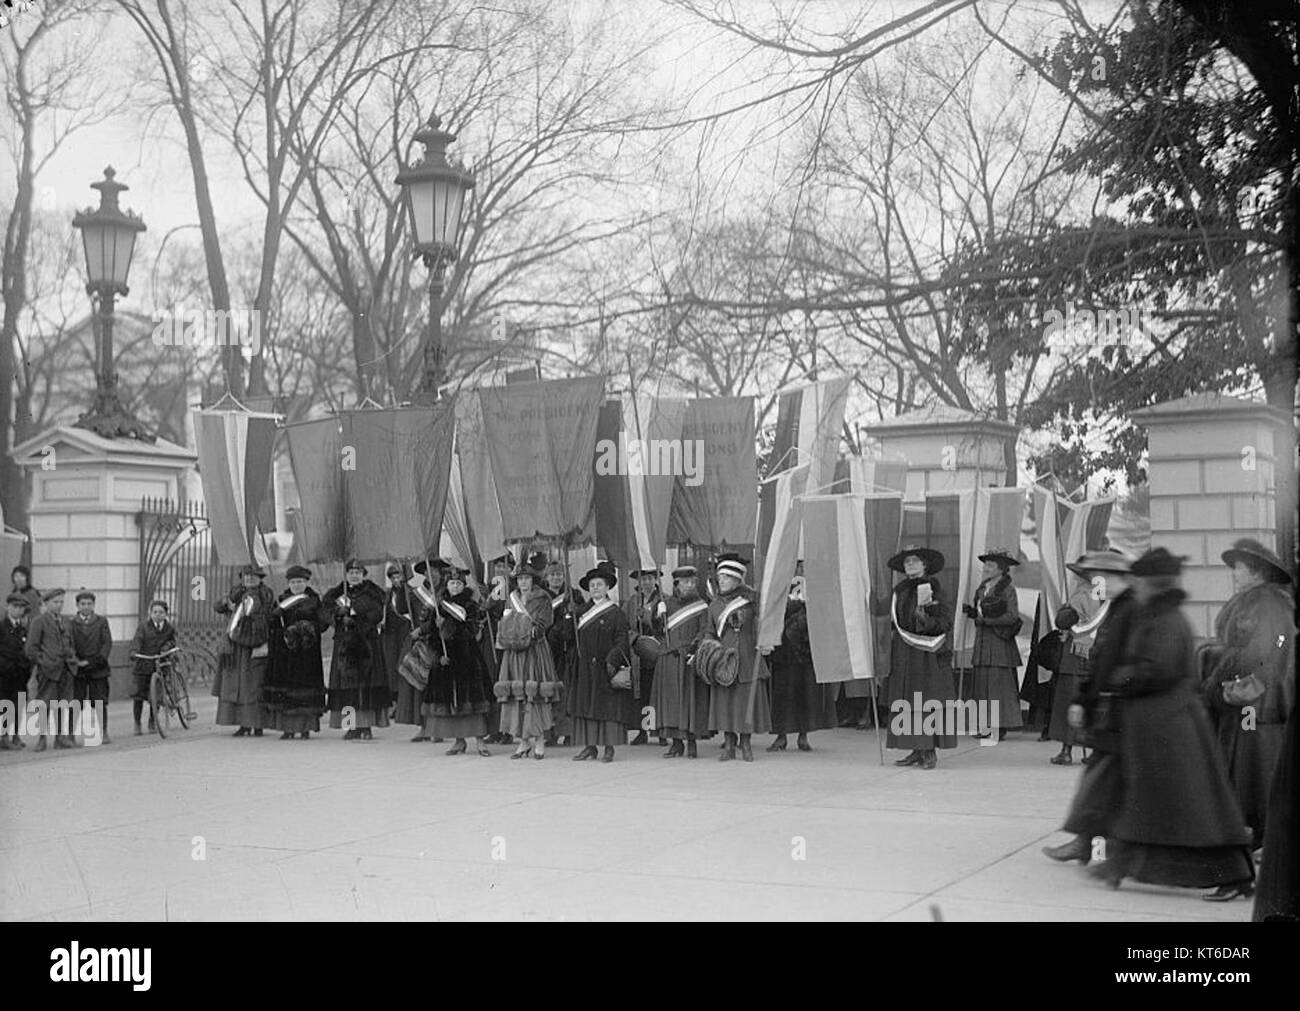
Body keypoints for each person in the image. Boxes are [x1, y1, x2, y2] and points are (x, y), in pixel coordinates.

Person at [1080, 548, 1255, 899]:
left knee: (1194, 807)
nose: (1136, 586)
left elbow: (1156, 670)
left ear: (1151, 584)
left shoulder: (1165, 620)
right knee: (1150, 803)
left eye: (1140, 580)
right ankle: (1121, 863)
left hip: (1171, 728)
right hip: (1160, 727)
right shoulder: (1157, 616)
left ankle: (1234, 875)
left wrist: (1119, 678)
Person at [1201, 538, 1295, 854]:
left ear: (1256, 572)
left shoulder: (1269, 603)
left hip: (1256, 701)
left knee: (1256, 766)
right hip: (1244, 698)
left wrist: (1235, 672)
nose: (1234, 574)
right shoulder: (1251, 600)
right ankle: (1258, 834)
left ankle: (1269, 838)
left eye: (1239, 568)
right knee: (1246, 767)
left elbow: (1274, 646)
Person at [1043, 550, 1136, 864]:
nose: (1099, 580)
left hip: (1131, 712)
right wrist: (1086, 698)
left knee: (1118, 785)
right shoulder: (1118, 604)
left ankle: (1106, 848)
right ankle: (1087, 843)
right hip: (1113, 710)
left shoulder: (1132, 607)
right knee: (1101, 782)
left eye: (1106, 575)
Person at [876, 545, 954, 770]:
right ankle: (915, 748)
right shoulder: (899, 590)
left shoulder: (935, 589)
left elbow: (945, 622)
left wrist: (926, 619)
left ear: (924, 565)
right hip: (903, 651)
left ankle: (928, 749)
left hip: (926, 654)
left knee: (924, 700)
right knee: (906, 700)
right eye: (907, 561)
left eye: (914, 561)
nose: (909, 564)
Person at [705, 552, 770, 763]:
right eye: (720, 577)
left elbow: (765, 623)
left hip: (748, 659)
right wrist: (709, 650)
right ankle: (729, 744)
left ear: (736, 579)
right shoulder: (714, 605)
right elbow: (709, 632)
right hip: (724, 661)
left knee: (745, 705)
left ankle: (746, 743)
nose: (720, 581)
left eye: (725, 577)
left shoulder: (752, 600)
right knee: (726, 705)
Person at [421, 566, 493, 756]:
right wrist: (438, 653)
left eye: (458, 583)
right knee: (452, 703)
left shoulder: (470, 606)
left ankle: (480, 742)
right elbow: (430, 634)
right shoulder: (438, 605)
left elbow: (470, 631)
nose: (454, 586)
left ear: (463, 586)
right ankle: (459, 741)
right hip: (446, 660)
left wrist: (447, 626)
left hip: (467, 658)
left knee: (473, 701)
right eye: (452, 583)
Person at [493, 556, 560, 759]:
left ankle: (539, 739)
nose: (523, 582)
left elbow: (544, 624)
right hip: (514, 653)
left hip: (534, 651)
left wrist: (525, 630)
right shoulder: (511, 598)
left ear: (533, 580)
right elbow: (505, 622)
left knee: (534, 695)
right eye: (520, 578)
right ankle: (523, 741)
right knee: (518, 696)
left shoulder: (542, 598)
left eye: (527, 578)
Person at [568, 567, 631, 762]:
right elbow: (567, 638)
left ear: (607, 588)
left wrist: (612, 660)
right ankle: (590, 747)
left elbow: (622, 640)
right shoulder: (580, 611)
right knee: (587, 706)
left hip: (605, 667)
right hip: (585, 667)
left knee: (607, 708)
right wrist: (567, 617)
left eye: (599, 585)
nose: (595, 588)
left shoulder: (616, 613)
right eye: (592, 585)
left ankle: (609, 748)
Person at [767, 571, 836, 752]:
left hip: (805, 649)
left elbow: (818, 612)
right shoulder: (778, 582)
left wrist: (795, 629)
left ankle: (803, 735)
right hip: (782, 651)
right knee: (781, 695)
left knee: (804, 694)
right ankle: (780, 735)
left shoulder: (814, 583)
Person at [323, 559, 389, 740]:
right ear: (346, 575)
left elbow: (376, 614)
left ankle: (366, 726)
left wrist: (355, 620)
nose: (354, 575)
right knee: (347, 687)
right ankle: (351, 726)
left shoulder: (373, 593)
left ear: (363, 574)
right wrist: (338, 616)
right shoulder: (336, 594)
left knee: (366, 687)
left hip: (365, 645)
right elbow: (325, 613)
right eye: (351, 572)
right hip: (344, 645)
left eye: (358, 572)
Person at [649, 565, 711, 758]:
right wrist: (657, 616)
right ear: (676, 584)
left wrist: (695, 649)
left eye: (693, 582)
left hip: (688, 658)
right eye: (686, 582)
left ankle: (692, 743)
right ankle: (676, 743)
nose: (690, 585)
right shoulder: (666, 603)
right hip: (668, 658)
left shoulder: (702, 605)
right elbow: (659, 632)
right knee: (671, 703)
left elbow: (704, 630)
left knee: (689, 702)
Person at [962, 547, 1024, 739]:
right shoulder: (983, 588)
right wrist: (974, 613)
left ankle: (999, 726)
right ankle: (986, 724)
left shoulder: (1007, 589)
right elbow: (981, 614)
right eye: (986, 564)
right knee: (983, 685)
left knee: (998, 687)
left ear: (1001, 569)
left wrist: (984, 621)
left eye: (990, 565)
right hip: (983, 643)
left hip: (999, 644)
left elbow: (1012, 616)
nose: (986, 568)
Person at [264, 565, 327, 740]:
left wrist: (306, 628)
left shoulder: (314, 600)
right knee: (288, 690)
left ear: (306, 582)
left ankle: (305, 727)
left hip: (308, 653)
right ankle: (288, 728)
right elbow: (273, 626)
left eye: (300, 581)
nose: (296, 585)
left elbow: (323, 624)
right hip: (287, 653)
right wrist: (274, 617)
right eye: (293, 582)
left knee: (305, 690)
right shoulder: (282, 599)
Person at [213, 564, 275, 736]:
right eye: (246, 576)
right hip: (235, 647)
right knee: (237, 687)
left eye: (253, 576)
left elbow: (267, 617)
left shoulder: (265, 595)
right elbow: (218, 606)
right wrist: (228, 603)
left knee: (254, 686)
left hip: (255, 646)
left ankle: (257, 724)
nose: (249, 579)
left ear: (260, 578)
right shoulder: (236, 594)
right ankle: (243, 723)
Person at [392, 560, 443, 741]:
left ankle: (437, 728)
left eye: (435, 571)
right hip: (419, 644)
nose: (432, 575)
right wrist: (400, 589)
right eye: (429, 572)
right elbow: (401, 608)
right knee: (419, 686)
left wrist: (423, 629)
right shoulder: (415, 593)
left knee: (437, 688)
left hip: (438, 642)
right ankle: (423, 727)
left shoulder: (445, 593)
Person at [24, 587, 79, 750]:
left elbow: (71, 643)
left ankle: (60, 737)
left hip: (66, 669)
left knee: (64, 704)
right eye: (55, 602)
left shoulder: (66, 621)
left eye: (61, 602)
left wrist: (72, 659)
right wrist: (44, 661)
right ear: (46, 603)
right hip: (48, 670)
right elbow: (30, 649)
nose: (59, 605)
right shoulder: (39, 621)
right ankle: (42, 739)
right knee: (44, 704)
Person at [624, 566, 666, 746]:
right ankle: (643, 730)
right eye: (643, 579)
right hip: (638, 654)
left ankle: (661, 730)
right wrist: (634, 635)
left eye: (650, 578)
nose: (647, 582)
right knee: (642, 694)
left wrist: (651, 618)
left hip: (657, 652)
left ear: (655, 580)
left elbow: (666, 627)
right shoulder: (632, 602)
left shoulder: (664, 600)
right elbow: (624, 626)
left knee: (658, 693)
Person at [1043, 605, 1088, 764]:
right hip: (1088, 660)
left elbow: (1063, 620)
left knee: (1067, 707)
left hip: (1072, 661)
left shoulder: (1079, 597)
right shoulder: (1099, 600)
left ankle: (1066, 751)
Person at [543, 560, 581, 745]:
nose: (556, 578)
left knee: (567, 690)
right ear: (547, 577)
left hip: (569, 650)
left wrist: (575, 611)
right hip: (548, 649)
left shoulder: (574, 595)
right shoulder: (542, 596)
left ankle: (568, 731)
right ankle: (550, 730)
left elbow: (582, 616)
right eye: (552, 574)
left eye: (559, 574)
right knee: (548, 690)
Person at [70, 590, 113, 744]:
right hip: (79, 668)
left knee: (100, 701)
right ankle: (71, 734)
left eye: (89, 604)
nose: (86, 607)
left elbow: (107, 643)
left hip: (98, 668)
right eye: (83, 604)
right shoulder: (71, 623)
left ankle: (104, 731)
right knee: (75, 702)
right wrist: (76, 661)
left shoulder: (101, 622)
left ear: (94, 605)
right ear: (77, 605)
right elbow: (69, 644)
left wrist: (96, 661)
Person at [129, 600, 177, 735]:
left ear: (166, 614)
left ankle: (152, 720)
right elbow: (137, 640)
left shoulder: (169, 628)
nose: (157, 615)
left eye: (161, 612)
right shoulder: (143, 627)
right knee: (138, 695)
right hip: (144, 663)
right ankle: (137, 723)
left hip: (159, 664)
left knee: (155, 695)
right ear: (150, 613)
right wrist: (134, 652)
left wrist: (166, 648)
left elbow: (172, 641)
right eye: (155, 612)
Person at [0, 593, 32, 750]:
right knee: (5, 705)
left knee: (19, 704)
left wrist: (27, 667)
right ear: (7, 607)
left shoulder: (23, 628)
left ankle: (16, 735)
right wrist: (6, 666)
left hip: (21, 675)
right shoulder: (2, 627)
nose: (18, 610)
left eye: (21, 607)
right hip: (4, 675)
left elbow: (28, 650)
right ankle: (4, 736)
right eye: (15, 607)